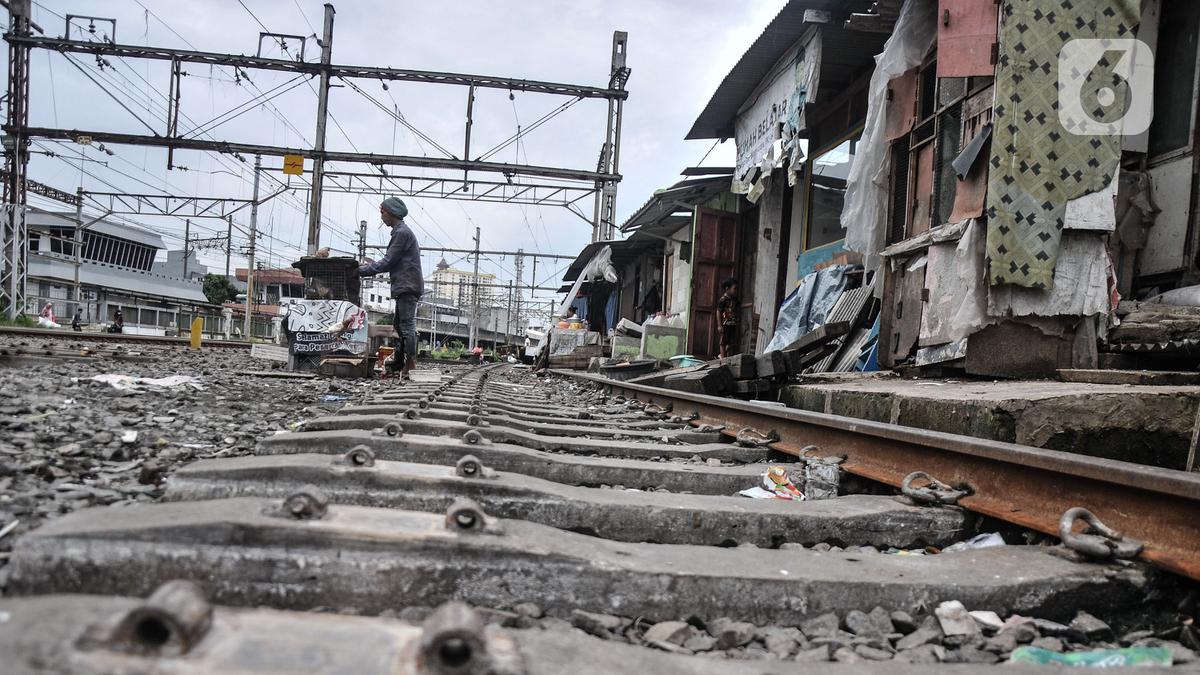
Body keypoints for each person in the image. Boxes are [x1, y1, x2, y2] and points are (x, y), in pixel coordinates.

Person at [357, 197, 422, 378]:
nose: (381, 217)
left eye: (383, 213)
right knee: (399, 325)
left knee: (407, 326)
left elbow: (388, 261)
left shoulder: (401, 233)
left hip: (407, 285)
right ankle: (400, 362)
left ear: (392, 213)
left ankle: (410, 363)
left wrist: (362, 271)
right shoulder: (401, 232)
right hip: (407, 284)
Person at [717, 278, 739, 358]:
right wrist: (719, 325)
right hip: (725, 323)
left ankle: (722, 355)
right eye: (734, 288)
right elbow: (718, 311)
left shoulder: (734, 299)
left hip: (733, 323)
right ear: (727, 289)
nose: (736, 290)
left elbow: (740, 306)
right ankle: (723, 360)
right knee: (723, 342)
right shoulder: (723, 300)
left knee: (731, 343)